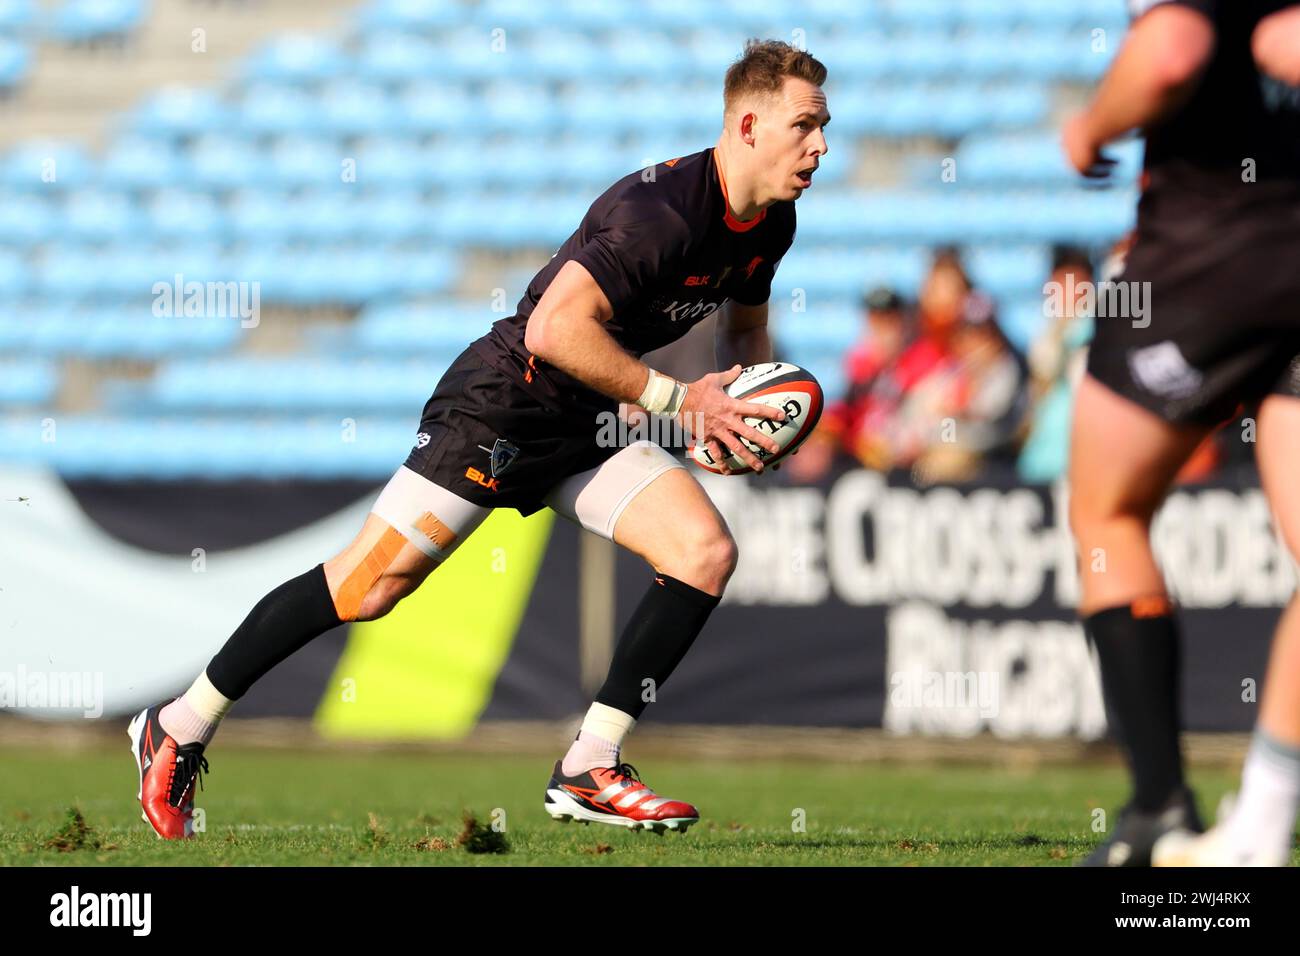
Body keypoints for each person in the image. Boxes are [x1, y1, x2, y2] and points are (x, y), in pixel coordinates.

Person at [127, 39, 831, 837]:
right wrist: (679, 400)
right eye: (805, 125)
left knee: (703, 551)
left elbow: (746, 336)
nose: (821, 145)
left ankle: (590, 763)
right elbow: (555, 330)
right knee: (370, 586)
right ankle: (180, 722)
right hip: (505, 403)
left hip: (591, 418)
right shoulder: (660, 212)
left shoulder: (771, 224)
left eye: (825, 125)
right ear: (747, 123)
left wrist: (746, 414)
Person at [1062, 0, 1300, 866]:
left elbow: (1170, 50)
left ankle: (1160, 803)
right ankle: (1263, 822)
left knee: (1108, 512)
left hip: (1215, 258)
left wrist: (1090, 127)